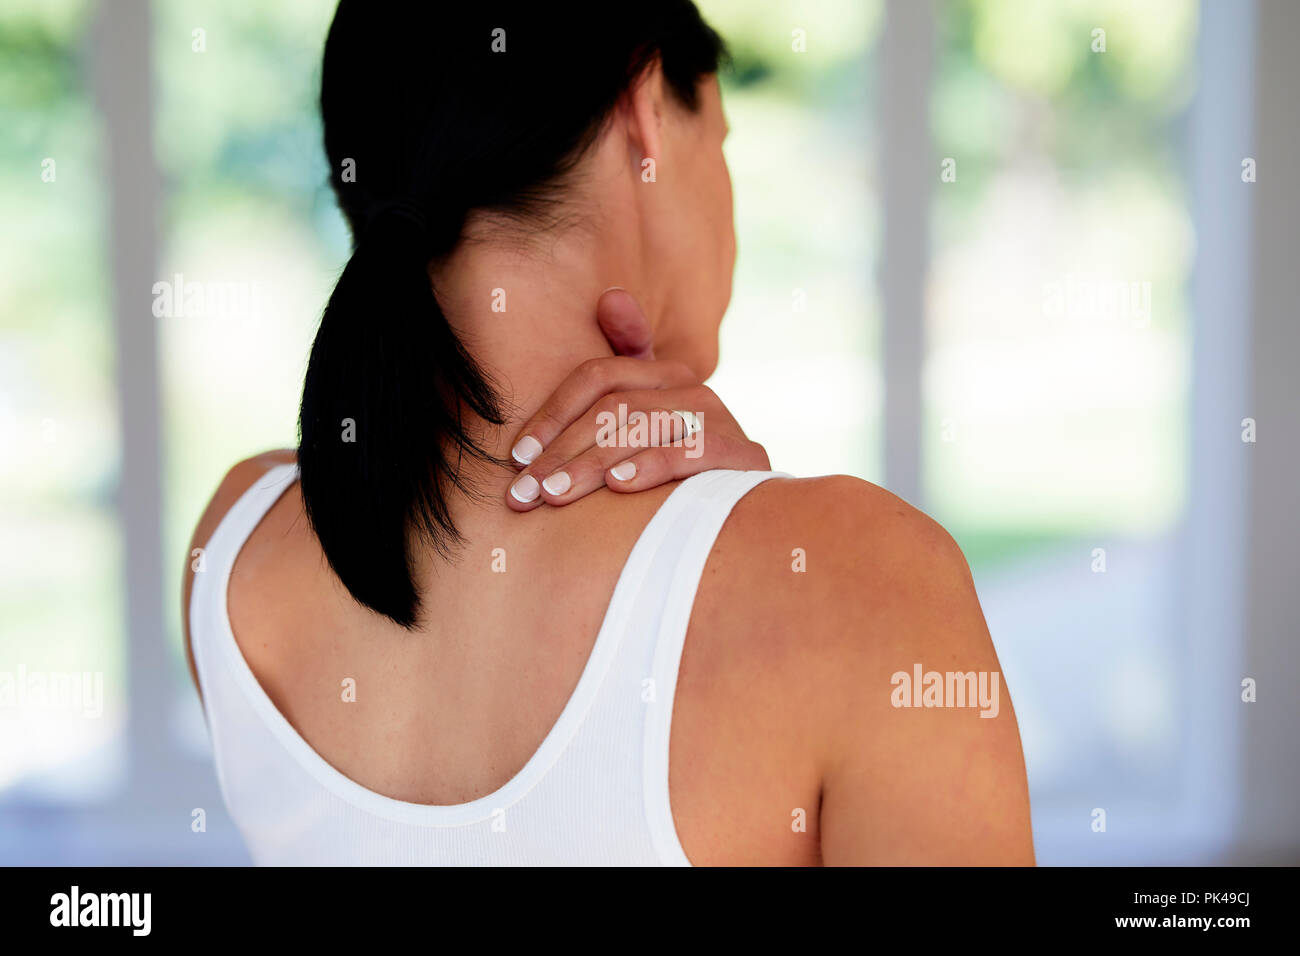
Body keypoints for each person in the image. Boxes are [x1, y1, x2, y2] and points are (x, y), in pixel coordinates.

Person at [183, 1, 1034, 865]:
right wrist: (774, 541)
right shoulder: (866, 581)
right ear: (646, 112)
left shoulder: (232, 546)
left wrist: (738, 526)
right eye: (725, 137)